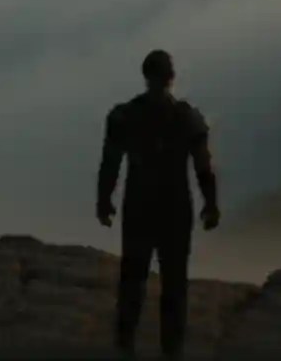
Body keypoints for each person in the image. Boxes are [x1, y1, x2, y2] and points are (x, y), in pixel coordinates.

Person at [96, 50, 220, 359]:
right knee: (174, 284)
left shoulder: (124, 116)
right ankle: (171, 351)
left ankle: (125, 346)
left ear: (145, 75)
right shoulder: (187, 117)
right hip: (175, 207)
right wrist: (211, 203)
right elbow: (203, 166)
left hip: (139, 205)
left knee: (132, 281)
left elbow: (110, 162)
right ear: (171, 77)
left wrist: (104, 199)